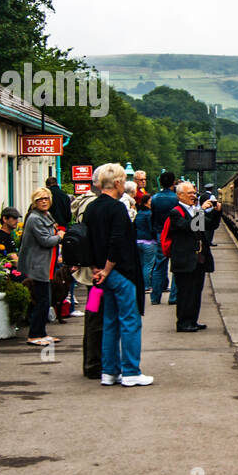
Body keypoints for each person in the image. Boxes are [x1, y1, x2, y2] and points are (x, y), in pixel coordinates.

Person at [84, 163, 152, 386]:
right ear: (116, 183)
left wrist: (96, 268)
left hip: (100, 276)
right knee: (130, 321)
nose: (124, 184)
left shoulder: (92, 208)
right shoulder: (117, 209)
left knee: (109, 321)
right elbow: (117, 241)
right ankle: (131, 371)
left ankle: (109, 371)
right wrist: (107, 267)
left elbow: (87, 240)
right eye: (123, 180)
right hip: (120, 272)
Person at [167, 180, 219, 332]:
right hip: (184, 260)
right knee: (185, 293)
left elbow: (209, 225)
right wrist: (201, 211)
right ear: (180, 195)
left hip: (198, 259)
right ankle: (183, 322)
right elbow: (188, 227)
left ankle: (193, 320)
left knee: (196, 291)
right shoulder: (175, 212)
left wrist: (217, 211)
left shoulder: (194, 210)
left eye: (194, 193)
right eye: (189, 193)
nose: (193, 196)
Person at [20, 187, 65, 347]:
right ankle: (33, 335)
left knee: (45, 300)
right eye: (40, 199)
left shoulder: (46, 215)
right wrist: (59, 236)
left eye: (46, 198)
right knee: (42, 301)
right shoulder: (34, 218)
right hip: (38, 264)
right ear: (35, 202)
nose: (44, 201)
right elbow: (45, 241)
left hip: (46, 262)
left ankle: (42, 333)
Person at [70, 181, 103, 376]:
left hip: (89, 273)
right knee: (95, 318)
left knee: (92, 316)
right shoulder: (93, 206)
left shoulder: (82, 203)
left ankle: (90, 361)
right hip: (95, 274)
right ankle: (93, 364)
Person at [148, 171, 179, 305]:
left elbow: (152, 217)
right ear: (173, 183)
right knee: (177, 266)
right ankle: (173, 297)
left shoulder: (154, 198)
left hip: (160, 233)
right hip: (176, 233)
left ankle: (155, 297)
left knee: (159, 265)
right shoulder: (177, 198)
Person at [134, 193, 158, 305]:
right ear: (146, 203)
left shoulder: (139, 213)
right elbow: (151, 229)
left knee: (142, 264)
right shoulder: (149, 214)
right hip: (149, 242)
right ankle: (147, 286)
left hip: (138, 241)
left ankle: (142, 285)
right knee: (149, 265)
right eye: (150, 201)